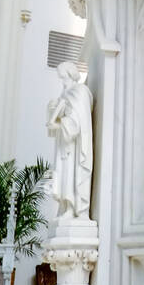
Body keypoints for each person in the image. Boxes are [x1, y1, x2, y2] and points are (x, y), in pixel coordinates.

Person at [47, 62, 94, 219]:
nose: (62, 81)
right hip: (64, 142)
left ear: (71, 75)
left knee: (71, 173)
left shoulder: (80, 92)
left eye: (63, 77)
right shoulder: (65, 95)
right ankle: (64, 205)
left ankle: (73, 207)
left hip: (75, 145)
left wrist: (62, 120)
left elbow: (77, 122)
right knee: (63, 173)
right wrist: (52, 111)